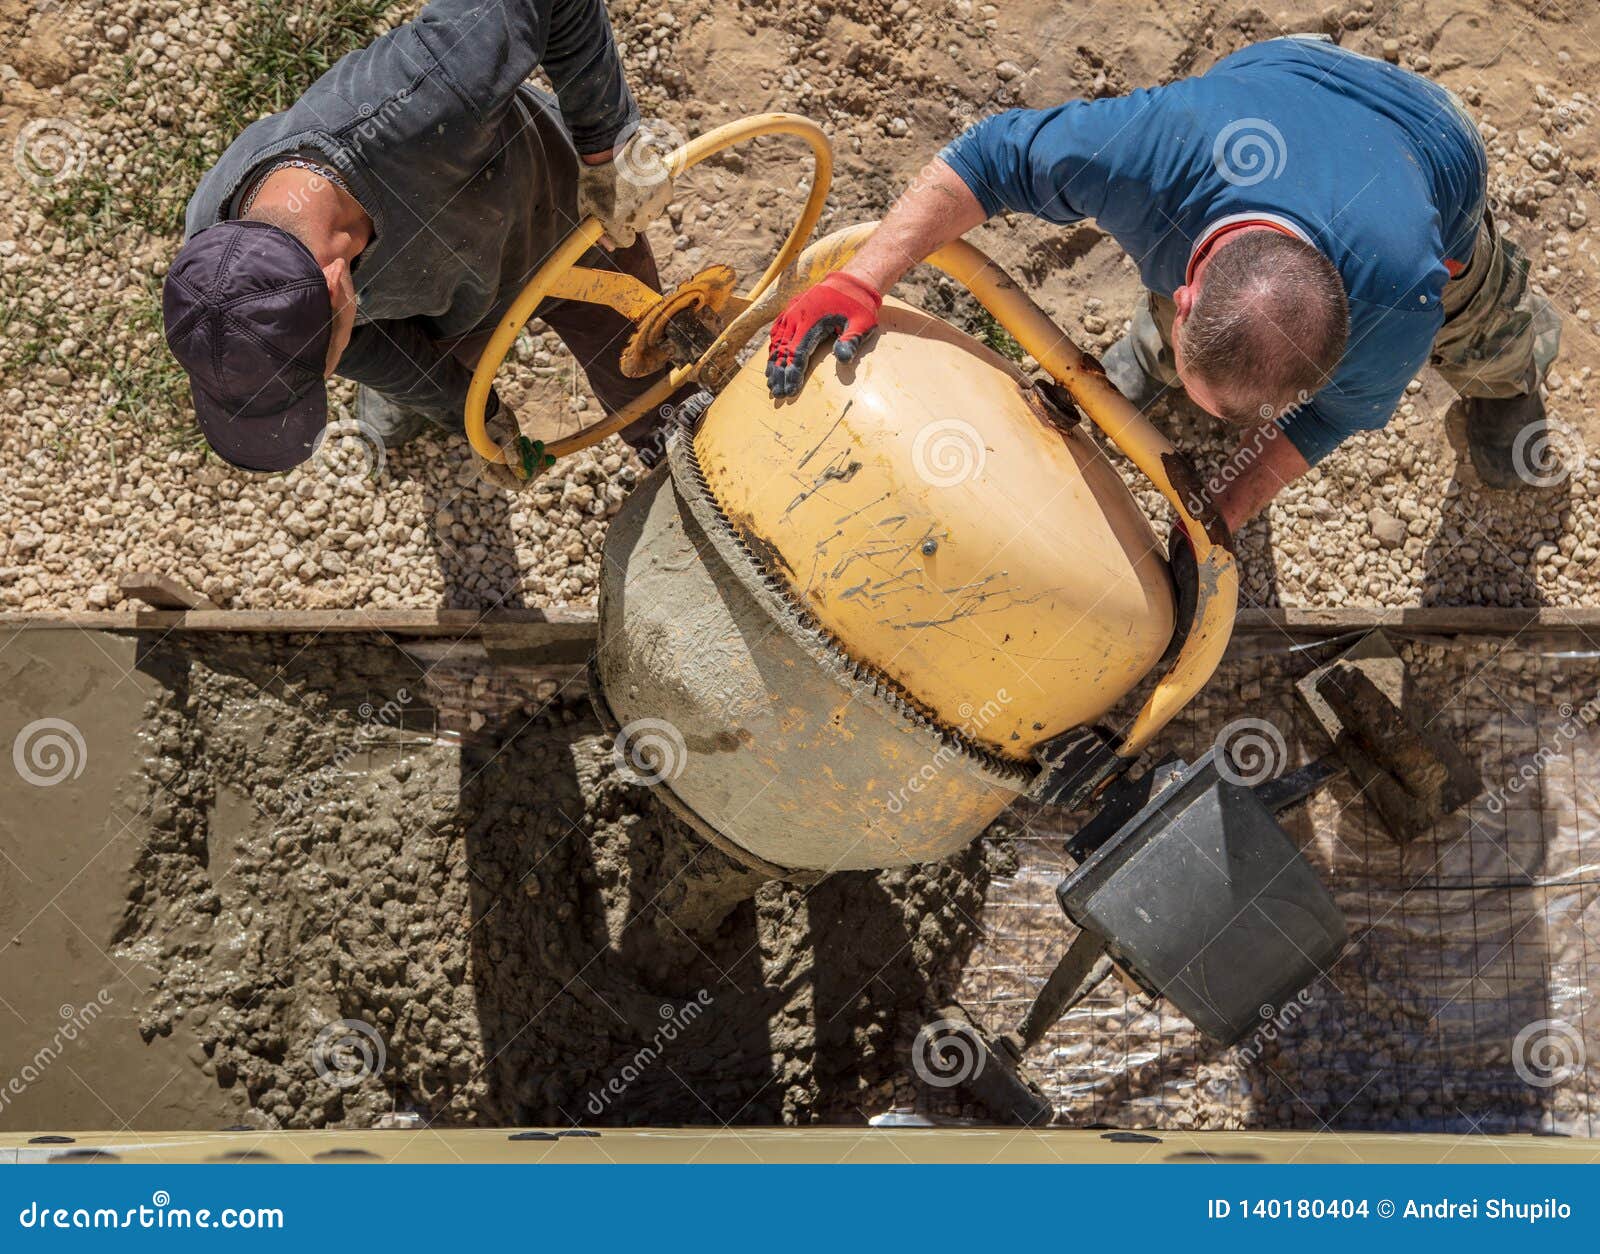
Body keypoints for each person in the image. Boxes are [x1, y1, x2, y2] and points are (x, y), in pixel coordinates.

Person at [766, 36, 1561, 533]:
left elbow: (1331, 420)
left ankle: (1505, 386)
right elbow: (983, 157)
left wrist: (1227, 511)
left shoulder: (1404, 297)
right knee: (1208, 337)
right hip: (1287, 68)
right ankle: (1150, 364)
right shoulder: (1146, 155)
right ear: (1187, 293)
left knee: (1483, 325)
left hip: (1433, 141)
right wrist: (862, 277)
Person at [162, 0, 681, 478]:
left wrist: (607, 149)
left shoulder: (429, 95)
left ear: (338, 286)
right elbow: (369, 345)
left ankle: (668, 437)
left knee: (637, 349)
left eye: (321, 368)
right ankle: (412, 401)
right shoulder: (221, 263)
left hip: (564, 221)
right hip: (443, 307)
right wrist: (472, 415)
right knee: (424, 376)